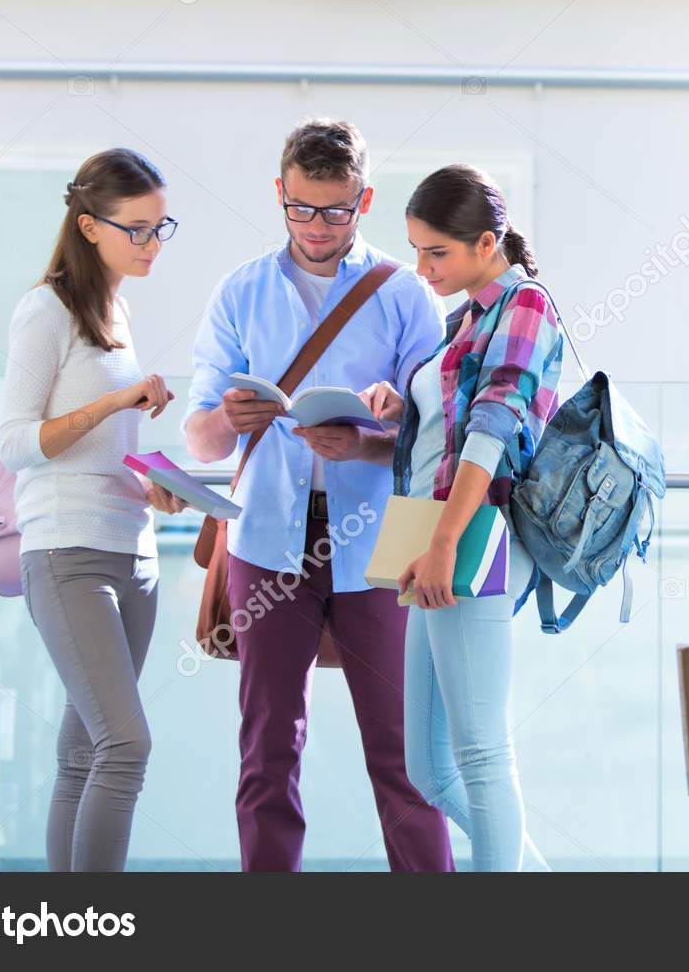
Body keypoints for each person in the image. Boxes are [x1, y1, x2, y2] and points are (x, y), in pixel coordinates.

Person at [182, 118, 454, 872]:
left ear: (364, 201)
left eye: (335, 210)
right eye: (300, 207)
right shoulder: (240, 291)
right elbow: (199, 439)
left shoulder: (406, 293)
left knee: (404, 753)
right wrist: (224, 420)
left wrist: (367, 439)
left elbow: (439, 439)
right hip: (267, 539)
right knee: (268, 747)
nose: (317, 226)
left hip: (378, 543)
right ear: (279, 194)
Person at [358, 163, 564, 872]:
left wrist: (445, 541)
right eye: (415, 250)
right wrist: (402, 405)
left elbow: (495, 424)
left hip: (474, 536)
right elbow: (452, 423)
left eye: (436, 252)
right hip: (428, 531)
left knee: (479, 751)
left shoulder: (525, 303)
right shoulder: (468, 315)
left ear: (486, 242)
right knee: (429, 767)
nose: (421, 267)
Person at [0, 147, 190, 872]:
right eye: (135, 228)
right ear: (86, 225)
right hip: (68, 556)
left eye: (159, 227)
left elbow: (102, 454)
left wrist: (156, 486)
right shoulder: (43, 310)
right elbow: (16, 442)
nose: (150, 244)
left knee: (84, 753)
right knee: (126, 744)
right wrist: (116, 397)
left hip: (130, 550)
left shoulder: (118, 307)